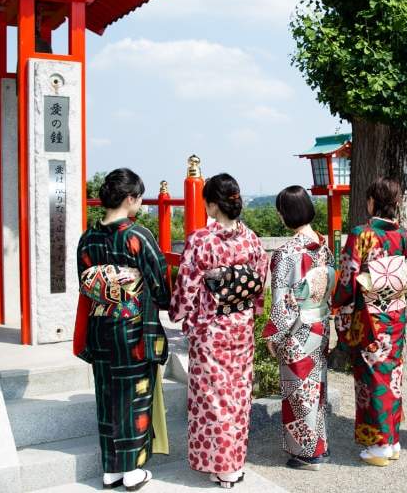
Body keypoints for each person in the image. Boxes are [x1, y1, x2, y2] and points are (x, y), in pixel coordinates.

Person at [169, 173, 269, 489]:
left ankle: (222, 465)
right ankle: (234, 462)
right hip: (241, 329)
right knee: (237, 397)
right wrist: (252, 307)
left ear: (213, 205)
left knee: (214, 398)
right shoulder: (251, 239)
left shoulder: (201, 241)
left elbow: (186, 286)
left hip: (211, 330)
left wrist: (177, 313)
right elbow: (260, 281)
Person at [75, 168, 171, 492]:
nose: (140, 203)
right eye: (139, 198)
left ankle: (110, 469)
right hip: (133, 330)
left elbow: (86, 285)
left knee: (106, 395)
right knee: (134, 395)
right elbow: (160, 284)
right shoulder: (137, 237)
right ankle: (131, 470)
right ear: (130, 199)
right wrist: (156, 298)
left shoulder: (87, 239)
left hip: (100, 327)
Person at [331, 177, 407, 467]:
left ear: (371, 202)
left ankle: (378, 446)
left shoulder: (361, 234)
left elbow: (348, 276)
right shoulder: (401, 235)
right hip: (395, 315)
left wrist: (337, 302)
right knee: (392, 376)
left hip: (369, 316)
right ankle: (391, 441)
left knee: (373, 378)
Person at [262, 186, 335, 471]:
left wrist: (273, 333)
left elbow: (282, 300)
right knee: (315, 388)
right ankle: (319, 445)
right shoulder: (324, 247)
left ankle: (306, 453)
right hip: (320, 323)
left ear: (285, 214)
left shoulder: (286, 252)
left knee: (297, 390)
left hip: (297, 329)